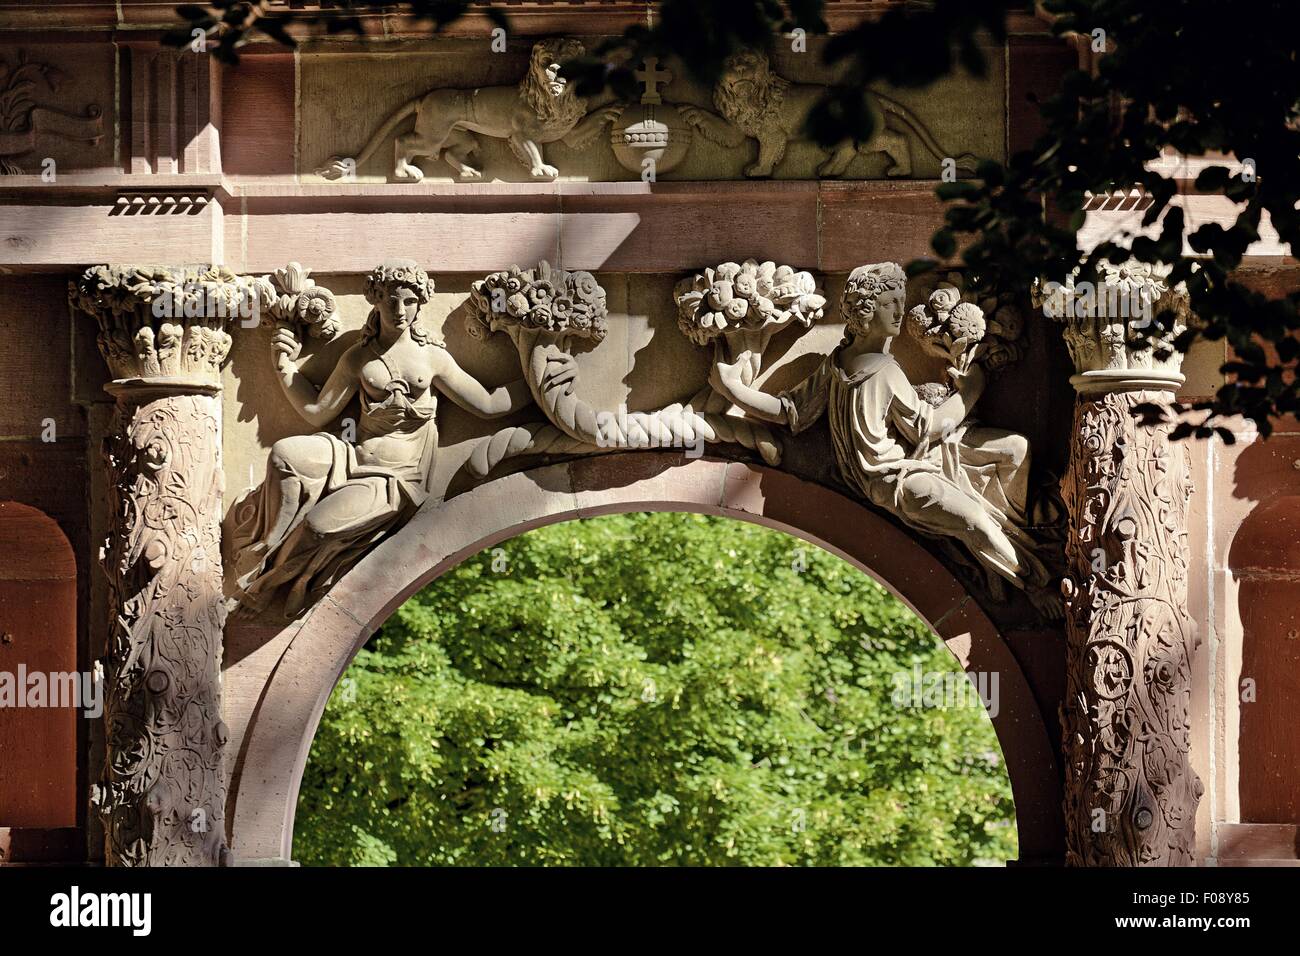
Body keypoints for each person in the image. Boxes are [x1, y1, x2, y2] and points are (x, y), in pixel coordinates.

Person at [225, 259, 550, 619]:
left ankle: (269, 586)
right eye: (391, 300)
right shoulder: (358, 358)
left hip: (396, 477)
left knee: (317, 526)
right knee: (285, 453)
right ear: (376, 300)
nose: (400, 310)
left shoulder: (432, 359)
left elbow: (487, 405)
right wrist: (284, 368)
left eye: (410, 301)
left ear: (420, 304)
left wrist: (540, 385)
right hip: (351, 456)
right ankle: (267, 546)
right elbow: (318, 412)